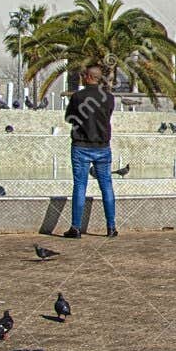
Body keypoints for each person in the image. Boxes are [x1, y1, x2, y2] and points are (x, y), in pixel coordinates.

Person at [63, 65, 117, 237]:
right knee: (106, 186)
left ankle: (76, 228)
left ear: (87, 77)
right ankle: (111, 227)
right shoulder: (108, 98)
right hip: (102, 147)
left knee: (80, 186)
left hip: (81, 146)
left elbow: (68, 118)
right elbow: (107, 117)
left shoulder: (78, 97)